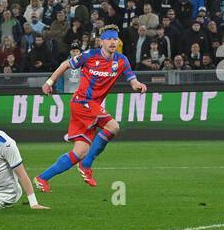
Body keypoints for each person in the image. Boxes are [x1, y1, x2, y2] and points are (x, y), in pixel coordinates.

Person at [37, 25, 146, 190]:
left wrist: (138, 86)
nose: (112, 42)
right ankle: (86, 165)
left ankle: (42, 178)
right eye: (109, 39)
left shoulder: (122, 60)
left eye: (115, 39)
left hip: (91, 106)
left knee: (80, 151)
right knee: (113, 126)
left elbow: (133, 81)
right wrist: (49, 82)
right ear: (101, 42)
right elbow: (66, 65)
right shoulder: (89, 56)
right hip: (82, 102)